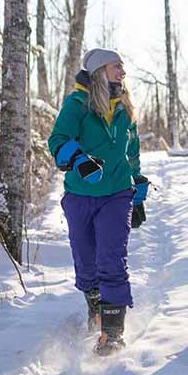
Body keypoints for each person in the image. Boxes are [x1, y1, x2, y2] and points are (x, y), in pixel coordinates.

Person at [48, 48, 150, 356]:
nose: (122, 72)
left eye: (122, 67)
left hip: (117, 194)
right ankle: (95, 305)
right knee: (86, 259)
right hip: (80, 195)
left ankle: (113, 332)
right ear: (98, 72)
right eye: (116, 66)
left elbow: (131, 151)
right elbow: (58, 141)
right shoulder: (77, 104)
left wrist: (138, 181)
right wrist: (79, 159)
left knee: (112, 258)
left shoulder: (124, 108)